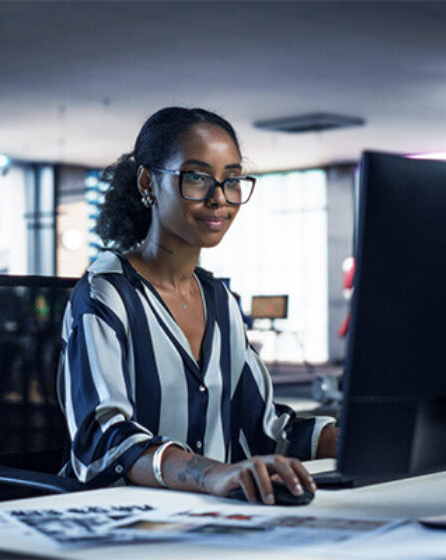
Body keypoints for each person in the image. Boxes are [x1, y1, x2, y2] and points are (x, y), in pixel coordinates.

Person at [58, 107, 338, 505]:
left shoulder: (220, 302)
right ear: (148, 182)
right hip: (124, 520)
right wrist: (212, 474)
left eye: (233, 180)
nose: (219, 198)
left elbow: (266, 430)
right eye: (196, 177)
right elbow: (102, 440)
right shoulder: (107, 293)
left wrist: (355, 441)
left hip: (214, 512)